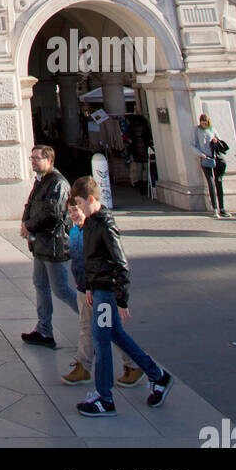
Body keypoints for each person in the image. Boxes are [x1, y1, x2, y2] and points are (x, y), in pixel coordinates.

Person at [70, 175, 173, 417]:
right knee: (115, 335)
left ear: (91, 199)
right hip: (98, 290)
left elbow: (121, 263)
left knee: (101, 341)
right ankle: (158, 376)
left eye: (80, 203)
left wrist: (121, 299)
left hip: (106, 293)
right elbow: (91, 260)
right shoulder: (92, 222)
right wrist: (88, 287)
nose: (78, 208)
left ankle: (104, 398)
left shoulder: (105, 225)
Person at [61, 202, 142, 388]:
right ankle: (84, 367)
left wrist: (121, 298)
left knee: (109, 331)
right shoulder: (74, 232)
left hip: (100, 291)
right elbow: (76, 259)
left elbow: (115, 263)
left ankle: (134, 365)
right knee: (87, 328)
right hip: (85, 288)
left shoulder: (95, 231)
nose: (73, 214)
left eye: (77, 209)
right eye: (70, 211)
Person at [20, 146, 78, 349]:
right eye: (32, 158)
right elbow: (30, 204)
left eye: (37, 158)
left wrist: (29, 225)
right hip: (40, 244)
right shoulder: (41, 181)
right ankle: (44, 330)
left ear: (50, 160)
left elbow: (52, 214)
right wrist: (25, 222)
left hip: (54, 244)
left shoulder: (58, 183)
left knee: (61, 290)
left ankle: (94, 321)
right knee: (40, 285)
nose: (33, 162)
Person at [190, 112, 230, 218]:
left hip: (215, 158)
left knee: (218, 182)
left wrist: (216, 141)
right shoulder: (196, 130)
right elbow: (192, 145)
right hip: (205, 159)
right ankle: (215, 208)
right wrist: (200, 154)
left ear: (208, 122)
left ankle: (222, 208)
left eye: (205, 123)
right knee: (211, 183)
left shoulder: (212, 129)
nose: (204, 125)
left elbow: (220, 141)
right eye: (202, 123)